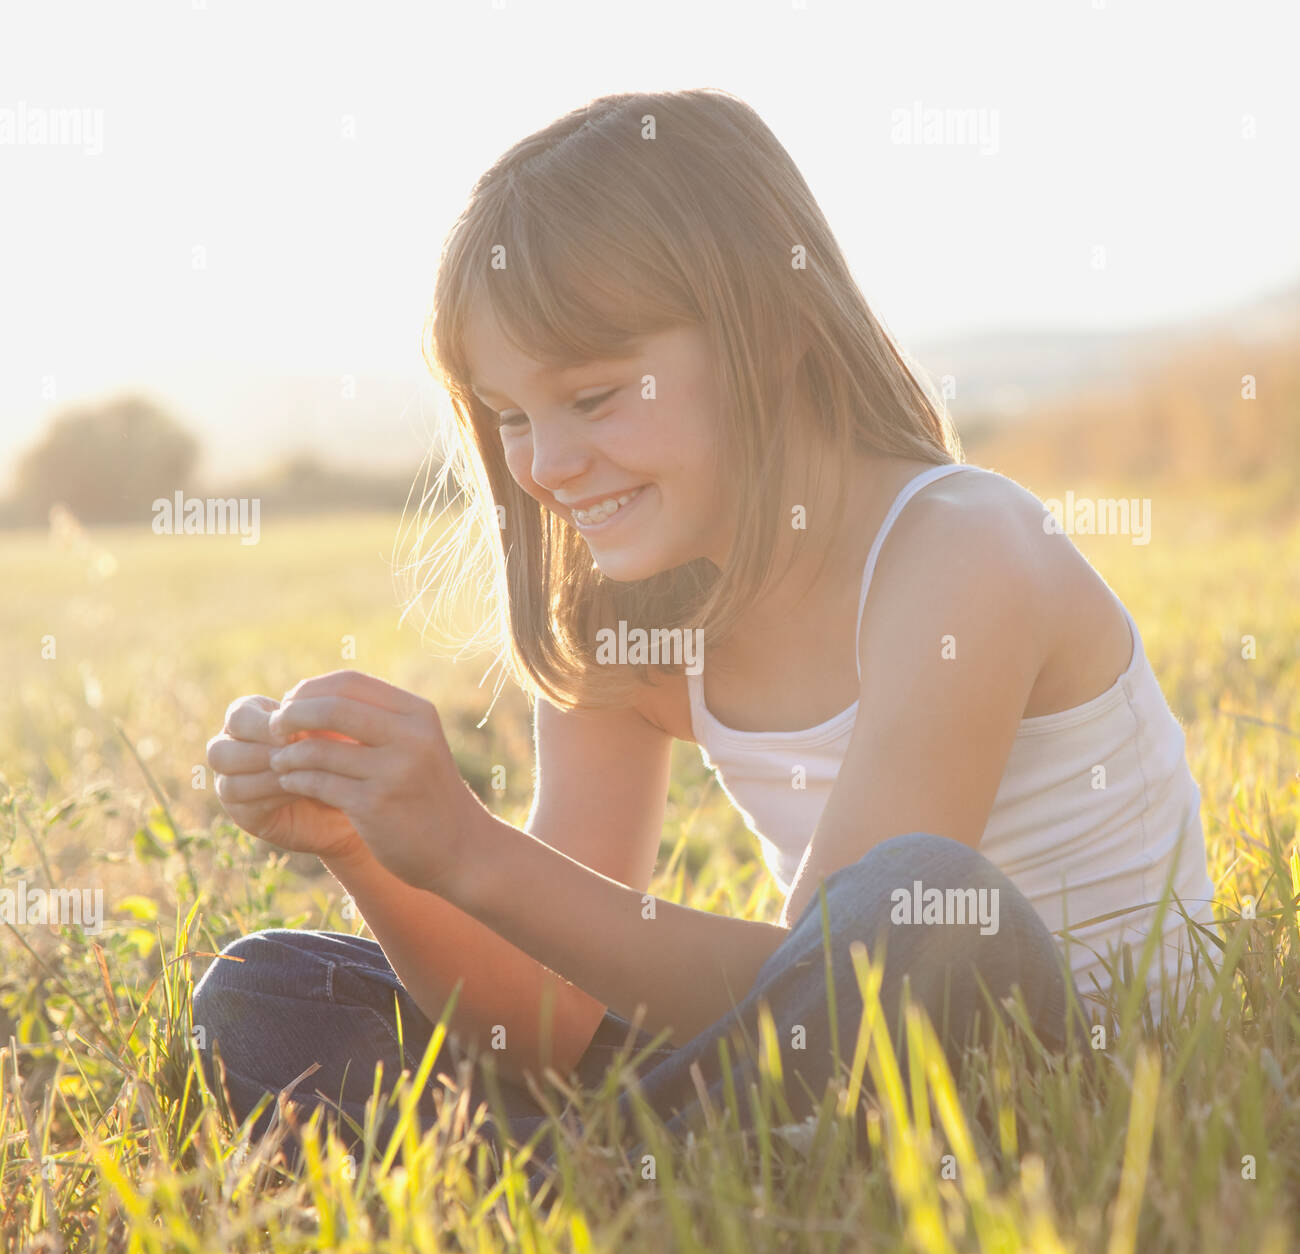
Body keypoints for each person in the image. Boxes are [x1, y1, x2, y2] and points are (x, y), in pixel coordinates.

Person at [195, 89, 1219, 1187]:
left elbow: (848, 968)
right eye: (510, 416)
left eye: (590, 395)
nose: (541, 463)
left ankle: (593, 1176)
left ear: (767, 336)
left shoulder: (960, 552)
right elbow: (549, 1015)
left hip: (1040, 1051)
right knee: (272, 993)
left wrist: (470, 846)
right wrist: (375, 856)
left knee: (911, 896)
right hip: (800, 1057)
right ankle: (645, 1163)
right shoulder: (625, 610)